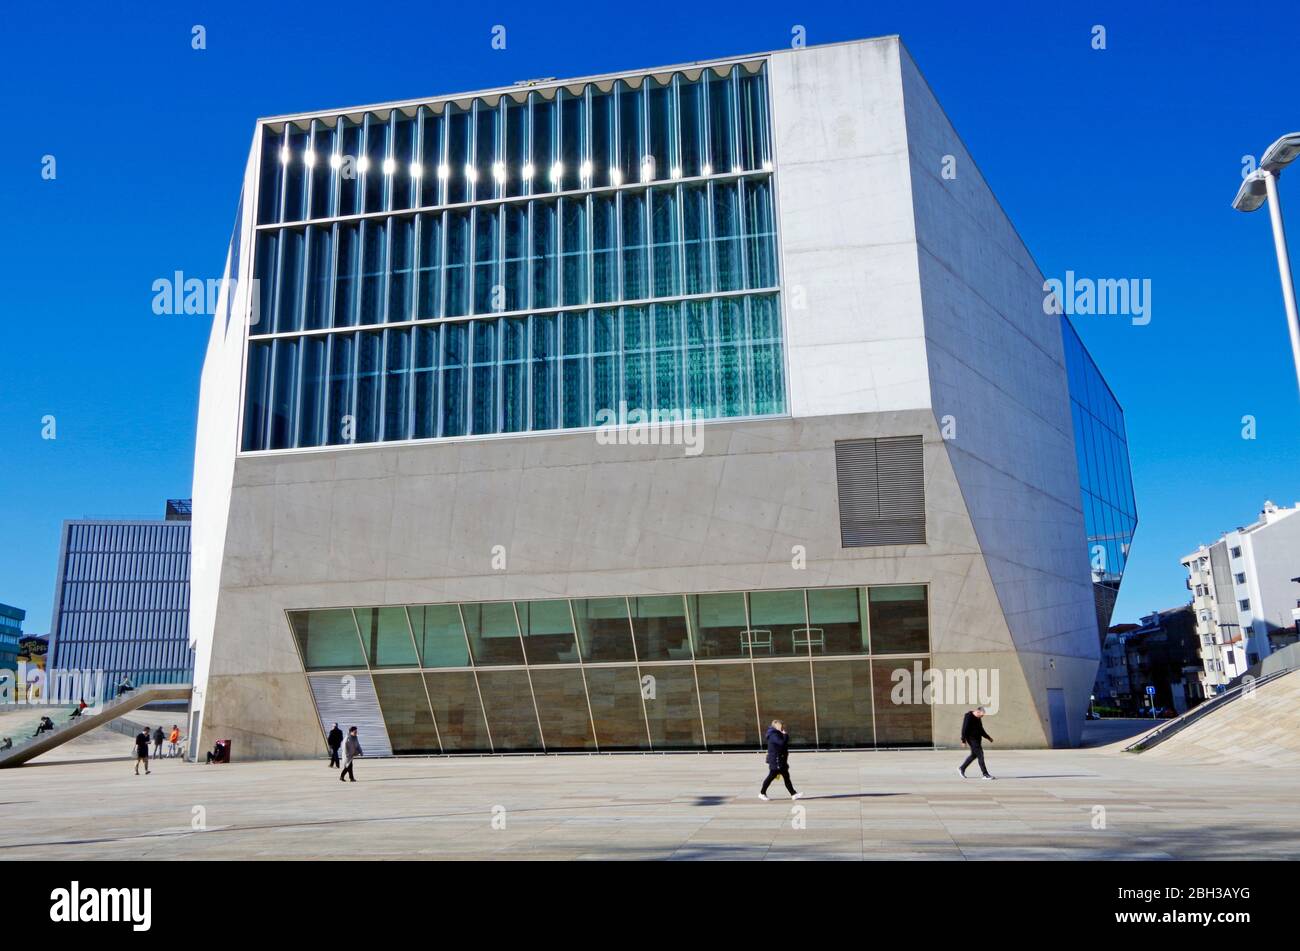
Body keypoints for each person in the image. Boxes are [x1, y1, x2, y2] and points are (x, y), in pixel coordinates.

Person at [758, 719, 802, 801]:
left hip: (780, 759)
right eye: (781, 726)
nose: (783, 728)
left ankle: (793, 794)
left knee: (786, 776)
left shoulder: (776, 733)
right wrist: (785, 735)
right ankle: (762, 793)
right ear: (777, 726)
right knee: (771, 776)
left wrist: (784, 735)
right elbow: (781, 743)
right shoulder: (773, 734)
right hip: (776, 760)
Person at [959, 706, 996, 779]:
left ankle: (962, 768)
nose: (982, 717)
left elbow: (981, 730)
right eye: (982, 715)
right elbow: (964, 729)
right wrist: (963, 740)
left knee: (974, 755)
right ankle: (985, 774)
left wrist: (988, 737)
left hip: (977, 740)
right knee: (980, 754)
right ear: (978, 711)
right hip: (972, 739)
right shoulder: (969, 716)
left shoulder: (978, 719)